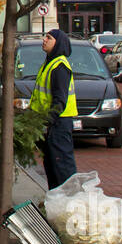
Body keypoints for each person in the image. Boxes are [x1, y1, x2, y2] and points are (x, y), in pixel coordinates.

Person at [30, 28, 78, 188]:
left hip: (58, 125)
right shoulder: (49, 63)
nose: (44, 40)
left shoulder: (59, 66)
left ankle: (69, 204)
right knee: (51, 167)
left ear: (58, 43)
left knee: (62, 169)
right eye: (45, 37)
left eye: (49, 38)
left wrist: (48, 121)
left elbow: (60, 100)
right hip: (51, 125)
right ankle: (55, 202)